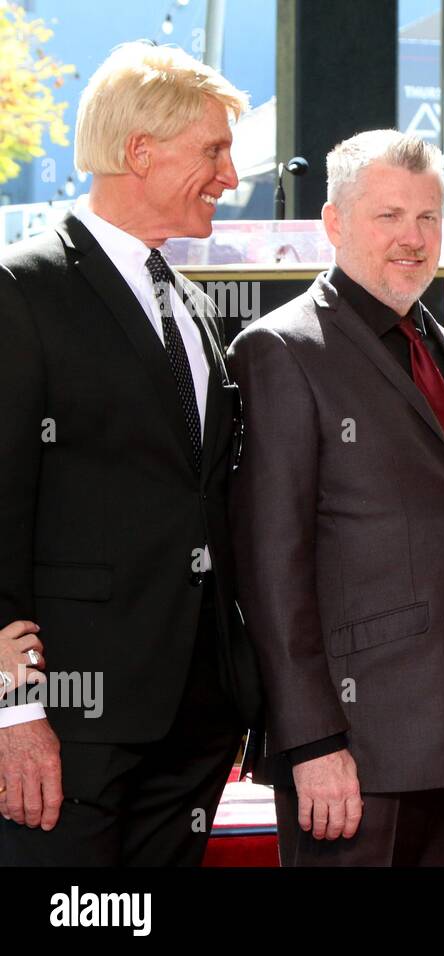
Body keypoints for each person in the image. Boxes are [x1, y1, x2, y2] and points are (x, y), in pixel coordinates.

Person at [0, 41, 261, 865]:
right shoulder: (21, 289)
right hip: (71, 726)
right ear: (139, 152)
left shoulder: (188, 300)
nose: (229, 176)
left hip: (193, 718)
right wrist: (12, 712)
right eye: (213, 151)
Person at [228, 130, 444, 866]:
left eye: (427, 218)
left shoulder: (433, 339)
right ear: (333, 223)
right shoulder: (282, 350)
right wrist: (314, 741)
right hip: (357, 750)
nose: (413, 239)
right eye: (389, 216)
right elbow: (270, 569)